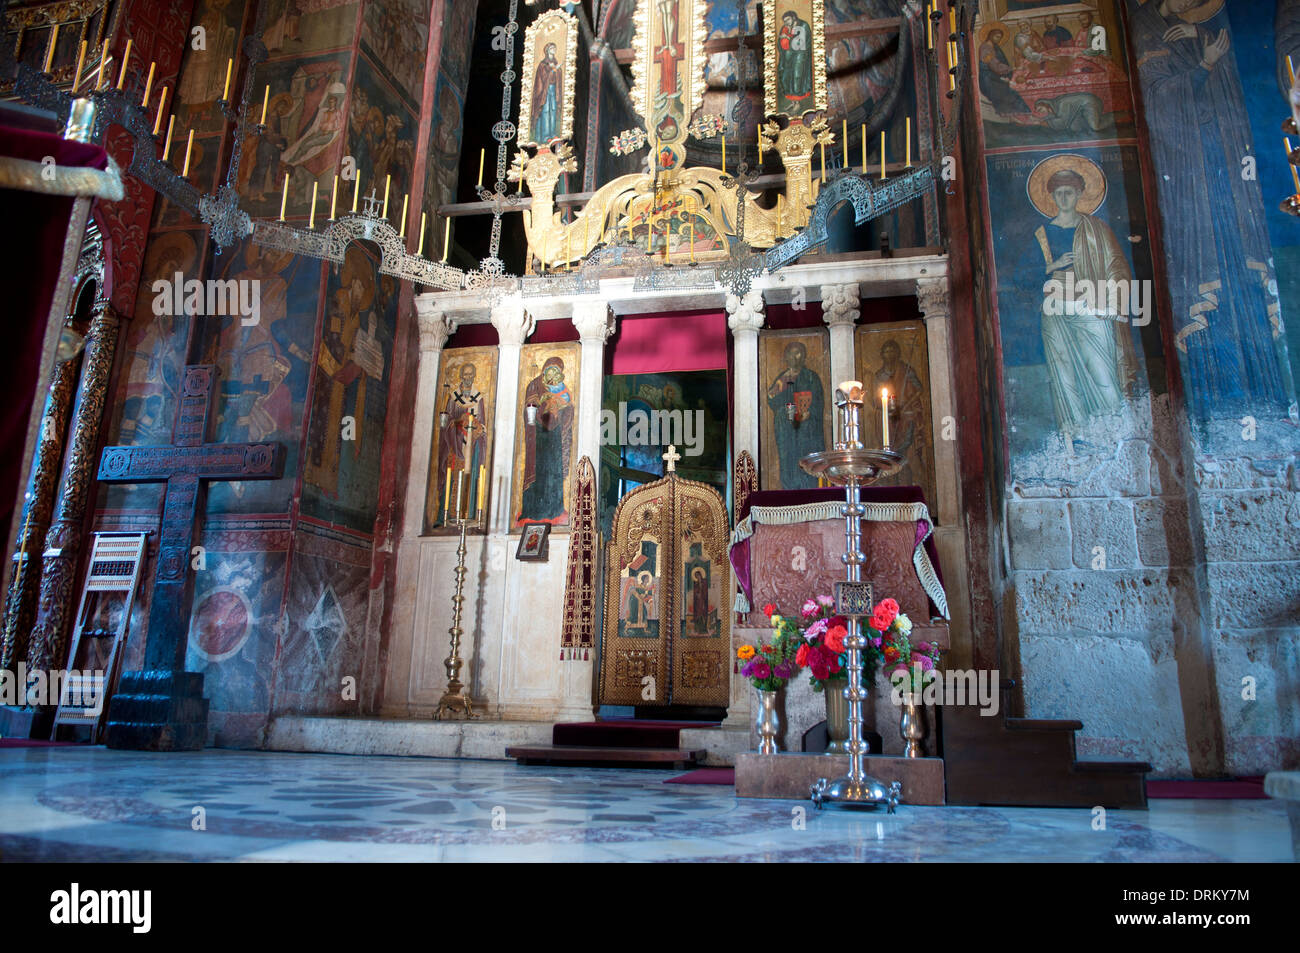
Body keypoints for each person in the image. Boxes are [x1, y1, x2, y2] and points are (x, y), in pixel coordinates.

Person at [1032, 166, 1138, 442]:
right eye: (1059, 193)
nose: (1064, 198)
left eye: (1069, 192)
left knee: (1103, 371)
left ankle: (1117, 434)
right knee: (1064, 374)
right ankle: (1077, 435)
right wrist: (1051, 265)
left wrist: (1111, 303)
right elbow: (1021, 276)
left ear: (1079, 193)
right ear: (1052, 197)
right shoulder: (1042, 234)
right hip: (1055, 309)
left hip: (1092, 306)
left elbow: (1117, 266)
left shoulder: (1097, 229)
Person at [517, 356, 574, 524]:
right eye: (550, 369)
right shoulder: (535, 385)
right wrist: (545, 405)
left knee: (553, 468)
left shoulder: (562, 388)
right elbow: (530, 406)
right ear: (545, 369)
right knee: (538, 467)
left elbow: (569, 408)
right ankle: (533, 509)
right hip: (537, 433)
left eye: (556, 370)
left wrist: (562, 408)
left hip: (554, 434)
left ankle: (554, 508)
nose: (552, 373)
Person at [765, 341, 824, 488]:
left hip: (807, 430)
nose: (795, 357)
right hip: (786, 429)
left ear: (803, 357)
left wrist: (808, 413)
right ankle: (789, 490)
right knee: (788, 459)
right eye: (791, 353)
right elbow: (771, 400)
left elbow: (818, 401)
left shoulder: (811, 377)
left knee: (805, 459)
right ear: (786, 357)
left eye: (798, 353)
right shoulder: (782, 378)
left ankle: (809, 491)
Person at [777, 10, 814, 113]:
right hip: (788, 58)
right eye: (784, 21)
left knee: (797, 77)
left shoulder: (803, 25)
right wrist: (783, 39)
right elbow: (780, 44)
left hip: (800, 57)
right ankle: (793, 102)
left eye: (788, 19)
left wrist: (787, 37)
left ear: (793, 17)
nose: (786, 22)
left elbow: (800, 43)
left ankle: (797, 103)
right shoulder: (785, 28)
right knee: (786, 78)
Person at [531, 43, 561, 143]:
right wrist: (553, 71)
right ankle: (545, 136)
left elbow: (557, 74)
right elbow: (543, 78)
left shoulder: (555, 63)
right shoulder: (543, 64)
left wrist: (556, 70)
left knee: (553, 110)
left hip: (553, 89)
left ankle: (552, 134)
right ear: (547, 50)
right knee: (545, 111)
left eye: (555, 48)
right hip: (545, 91)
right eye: (552, 48)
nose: (554, 50)